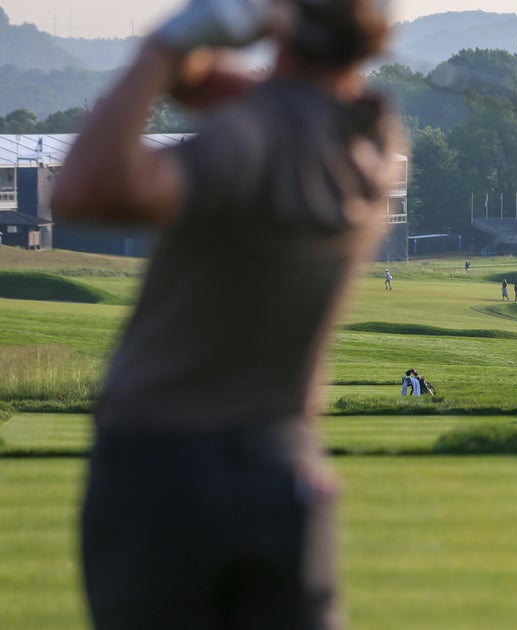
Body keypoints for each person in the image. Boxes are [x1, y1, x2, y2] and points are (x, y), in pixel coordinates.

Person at [52, 1, 403, 627]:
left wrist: (164, 46)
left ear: (279, 29)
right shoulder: (372, 142)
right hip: (282, 469)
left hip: (163, 471)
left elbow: (83, 189)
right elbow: (242, 94)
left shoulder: (245, 139)